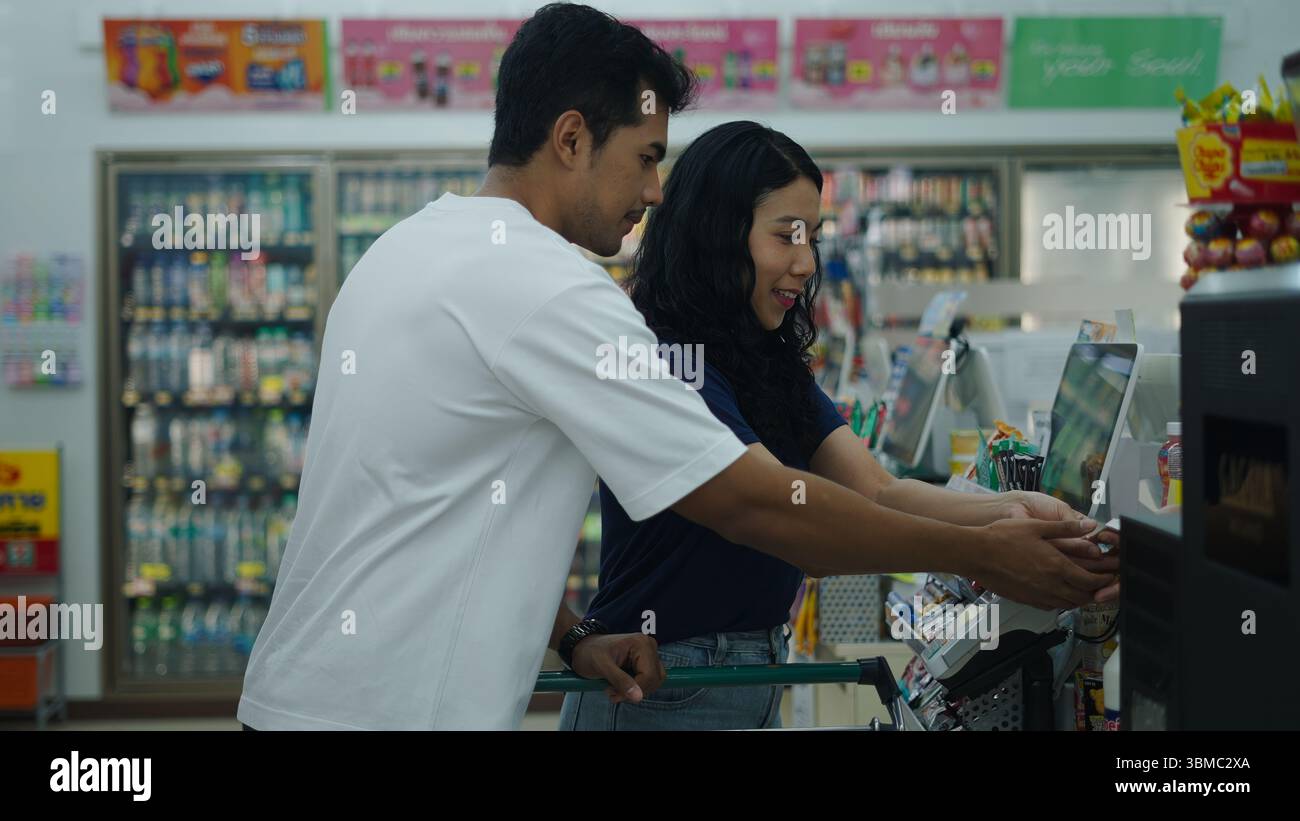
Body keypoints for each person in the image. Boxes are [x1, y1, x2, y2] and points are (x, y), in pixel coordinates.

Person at [238, 4, 1114, 731]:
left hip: (300, 698)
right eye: (647, 157)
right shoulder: (548, 286)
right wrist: (984, 554)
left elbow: (422, 502)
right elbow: (748, 501)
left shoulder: (404, 250)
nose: (656, 190)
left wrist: (574, 632)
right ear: (573, 138)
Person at [558, 122, 1120, 731]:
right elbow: (787, 521)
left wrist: (1012, 509)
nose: (805, 263)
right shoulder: (669, 360)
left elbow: (876, 489)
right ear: (718, 236)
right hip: (662, 685)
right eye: (785, 237)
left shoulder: (764, 358)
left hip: (747, 672)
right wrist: (987, 549)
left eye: (813, 239)